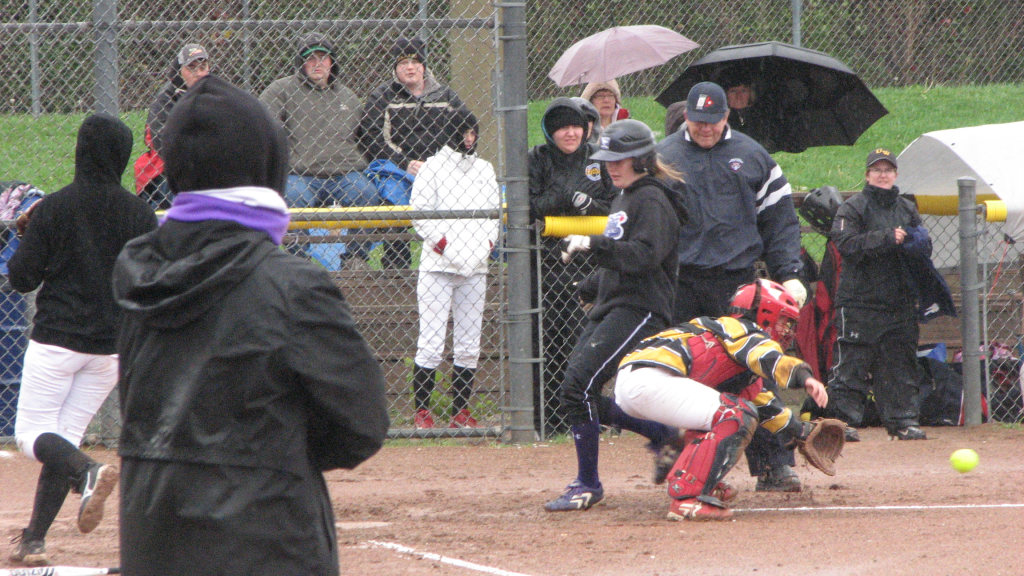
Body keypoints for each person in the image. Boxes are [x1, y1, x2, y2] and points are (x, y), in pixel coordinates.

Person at [113, 75, 390, 576]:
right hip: (266, 539)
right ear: (268, 170)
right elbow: (361, 424)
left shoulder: (137, 273)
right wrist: (271, 451)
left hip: (152, 537)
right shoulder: (292, 285)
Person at [7, 114, 158, 566]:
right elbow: (147, 281)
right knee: (65, 438)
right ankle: (34, 540)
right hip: (111, 348)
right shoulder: (140, 212)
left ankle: (88, 472)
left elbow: (21, 279)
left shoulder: (55, 207)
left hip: (58, 341)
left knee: (31, 436)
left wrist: (25, 235)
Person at [656, 81, 808, 492]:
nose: (706, 129)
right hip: (680, 282)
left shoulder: (753, 155)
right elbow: (644, 219)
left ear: (727, 116)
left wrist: (789, 271)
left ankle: (775, 463)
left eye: (714, 121)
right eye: (698, 121)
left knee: (754, 370)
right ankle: (685, 464)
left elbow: (780, 220)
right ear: (686, 116)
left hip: (738, 285)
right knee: (682, 376)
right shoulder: (663, 157)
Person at [543, 119, 690, 512]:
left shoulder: (652, 199)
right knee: (575, 390)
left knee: (578, 385)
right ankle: (663, 435)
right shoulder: (626, 195)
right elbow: (620, 258)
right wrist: (589, 287)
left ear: (642, 159)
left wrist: (593, 244)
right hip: (617, 302)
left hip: (641, 309)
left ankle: (588, 484)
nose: (611, 165)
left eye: (619, 158)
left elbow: (644, 257)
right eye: (607, 158)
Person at [615, 279, 831, 520]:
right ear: (765, 313)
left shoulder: (735, 348)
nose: (788, 331)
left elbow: (766, 405)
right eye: (784, 321)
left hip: (644, 382)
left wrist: (802, 431)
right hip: (651, 378)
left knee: (724, 412)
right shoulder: (741, 330)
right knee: (736, 414)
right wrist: (805, 377)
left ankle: (694, 475)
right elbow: (766, 356)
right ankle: (687, 498)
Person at [827, 148, 952, 441]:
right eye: (877, 170)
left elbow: (924, 244)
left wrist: (917, 242)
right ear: (867, 175)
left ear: (895, 174)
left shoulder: (906, 208)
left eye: (888, 170)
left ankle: (903, 420)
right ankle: (842, 422)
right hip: (859, 303)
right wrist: (888, 238)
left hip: (899, 302)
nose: (883, 175)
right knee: (850, 365)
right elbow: (846, 244)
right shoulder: (852, 208)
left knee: (900, 364)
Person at [528, 98, 616, 435]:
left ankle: (585, 414)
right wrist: (568, 197)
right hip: (549, 263)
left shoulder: (598, 159)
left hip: (592, 263)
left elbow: (612, 209)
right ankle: (547, 418)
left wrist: (586, 204)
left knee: (587, 341)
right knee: (549, 339)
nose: (571, 132)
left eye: (576, 125)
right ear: (551, 132)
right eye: (562, 127)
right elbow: (533, 207)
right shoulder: (537, 158)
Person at [409, 110, 500, 429]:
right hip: (438, 266)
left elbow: (493, 216)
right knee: (431, 341)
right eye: (463, 133)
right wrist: (448, 247)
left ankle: (460, 411)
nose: (469, 139)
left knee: (468, 343)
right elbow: (420, 216)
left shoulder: (485, 169)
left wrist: (482, 248)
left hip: (475, 267)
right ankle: (422, 411)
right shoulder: (432, 168)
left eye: (473, 133)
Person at [260, 34, 379, 270]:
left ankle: (355, 258)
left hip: (344, 173)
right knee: (294, 196)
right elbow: (261, 125)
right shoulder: (282, 90)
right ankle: (298, 259)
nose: (317, 63)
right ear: (301, 63)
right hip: (300, 173)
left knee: (367, 194)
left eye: (323, 58)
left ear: (332, 62)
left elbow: (365, 139)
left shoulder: (348, 97)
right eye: (310, 58)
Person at [359, 37, 471, 269]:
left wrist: (440, 164)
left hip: (442, 170)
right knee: (394, 199)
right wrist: (405, 163)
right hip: (398, 169)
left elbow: (465, 131)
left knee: (456, 202)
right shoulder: (382, 97)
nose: (409, 67)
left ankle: (449, 262)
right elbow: (372, 139)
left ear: (423, 66)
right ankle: (397, 268)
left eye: (415, 62)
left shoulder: (446, 96)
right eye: (403, 63)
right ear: (395, 69)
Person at [135, 42, 211, 210]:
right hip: (167, 167)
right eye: (191, 68)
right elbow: (163, 143)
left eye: (203, 67)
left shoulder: (214, 93)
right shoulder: (165, 99)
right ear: (180, 71)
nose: (198, 73)